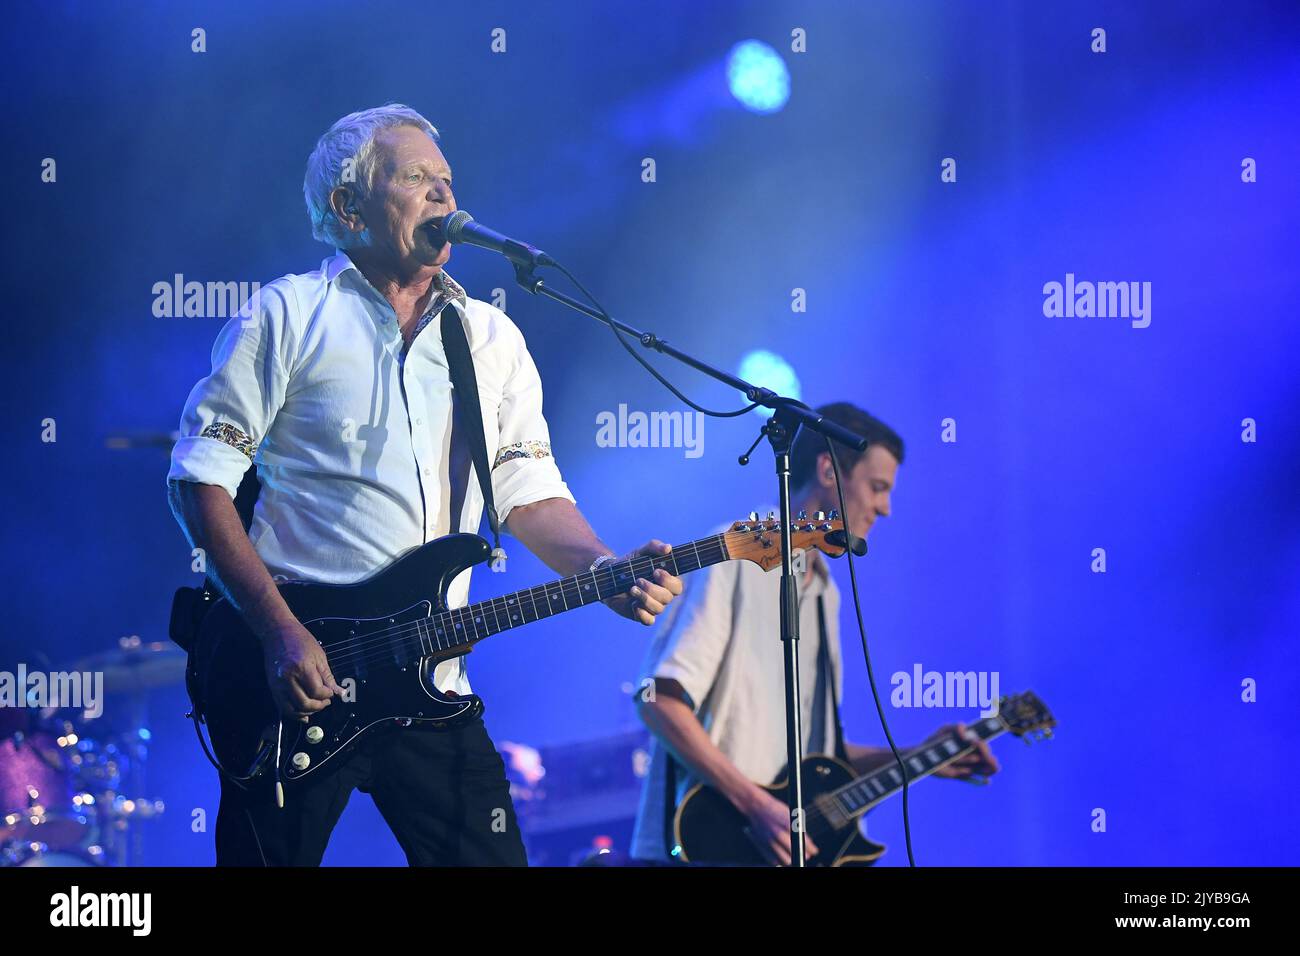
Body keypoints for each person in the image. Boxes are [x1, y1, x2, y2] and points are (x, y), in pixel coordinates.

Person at [167, 104, 682, 866]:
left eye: (447, 180)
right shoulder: (286, 315)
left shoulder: (490, 338)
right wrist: (278, 631)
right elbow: (200, 482)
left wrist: (601, 567)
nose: (444, 195)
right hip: (297, 676)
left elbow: (528, 491)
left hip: (430, 682)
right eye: (415, 178)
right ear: (349, 207)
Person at [631, 402, 998, 865]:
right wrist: (757, 806)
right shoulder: (736, 554)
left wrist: (916, 756)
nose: (885, 508)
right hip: (705, 847)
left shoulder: (826, 593)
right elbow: (659, 700)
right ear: (828, 470)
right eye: (877, 487)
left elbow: (818, 755)